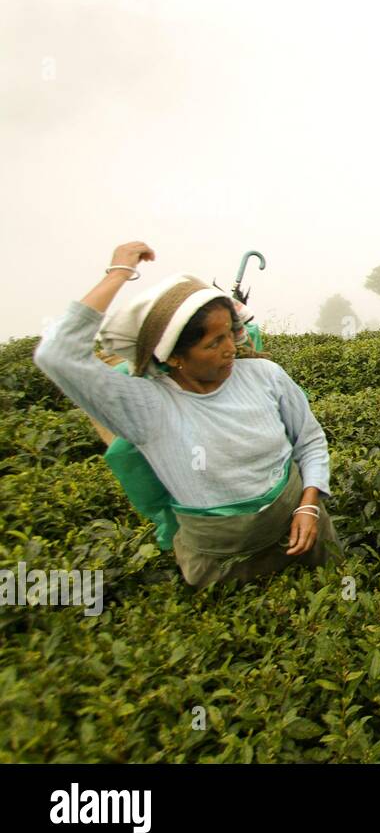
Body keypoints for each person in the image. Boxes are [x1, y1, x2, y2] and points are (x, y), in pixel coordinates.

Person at [33, 241, 338, 588]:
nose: (230, 349)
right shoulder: (146, 407)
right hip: (221, 564)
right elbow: (57, 354)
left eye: (229, 334)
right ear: (174, 356)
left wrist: (309, 505)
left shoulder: (264, 375)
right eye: (213, 343)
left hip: (306, 533)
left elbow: (309, 440)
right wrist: (119, 273)